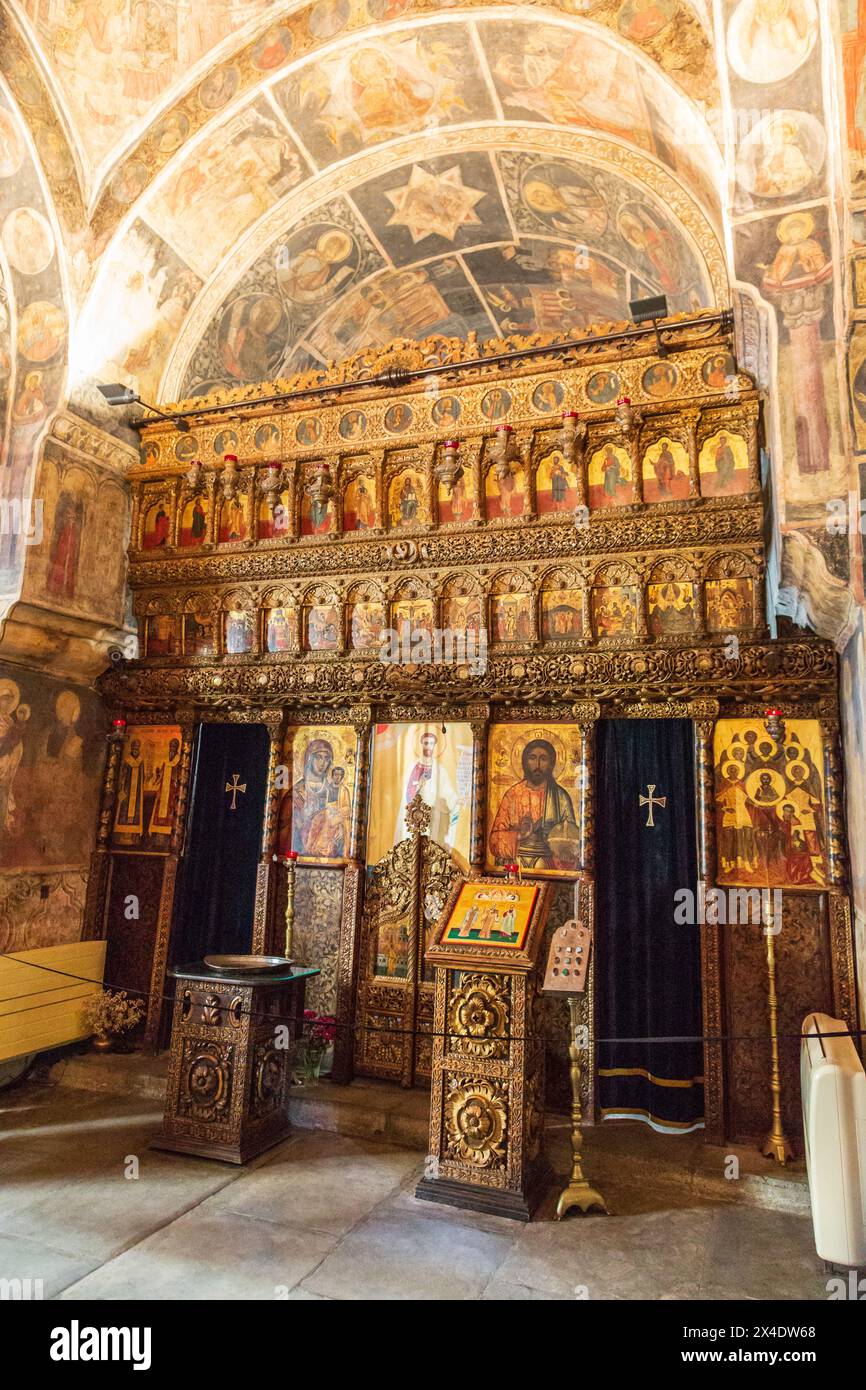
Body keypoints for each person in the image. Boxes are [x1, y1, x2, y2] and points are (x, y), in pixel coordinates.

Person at [488, 738, 578, 870]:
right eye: (532, 758)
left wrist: (552, 837)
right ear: (525, 762)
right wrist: (520, 835)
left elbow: (573, 841)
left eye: (543, 759)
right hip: (515, 866)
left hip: (550, 866)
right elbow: (494, 841)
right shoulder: (512, 795)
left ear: (551, 764)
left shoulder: (561, 797)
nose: (537, 765)